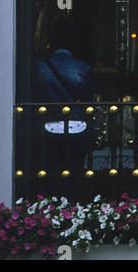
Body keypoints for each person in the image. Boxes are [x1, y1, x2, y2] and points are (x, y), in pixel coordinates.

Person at [33, 13, 95, 175]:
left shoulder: (40, 68)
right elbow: (88, 100)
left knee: (51, 171)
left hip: (49, 124)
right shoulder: (82, 68)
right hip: (76, 125)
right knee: (74, 171)